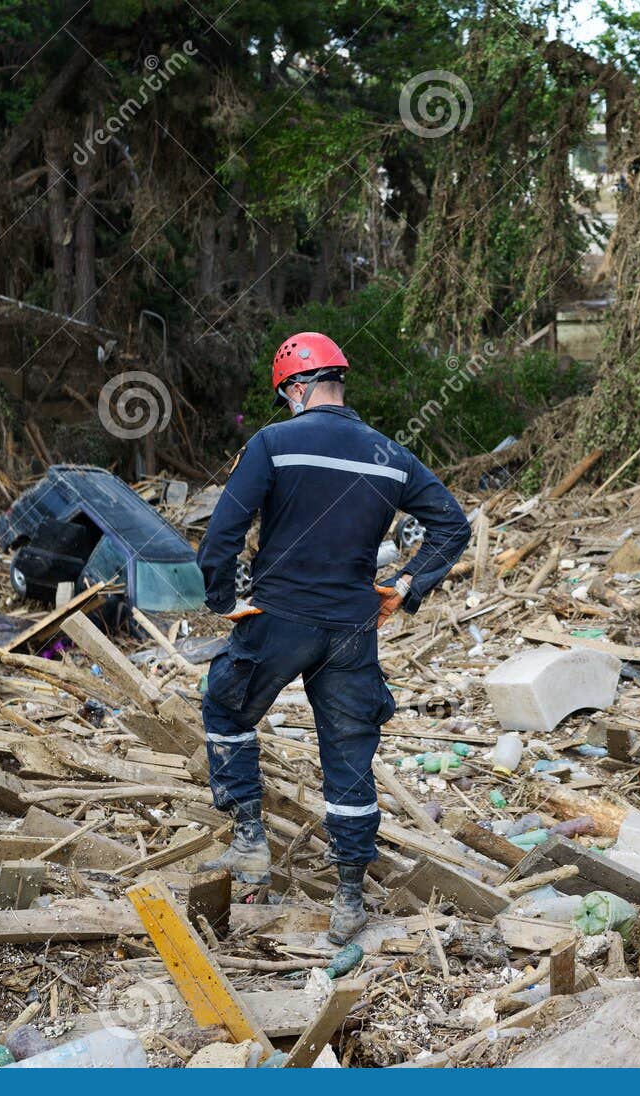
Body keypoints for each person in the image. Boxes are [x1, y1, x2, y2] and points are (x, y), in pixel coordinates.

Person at [196, 331, 471, 944]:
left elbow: (220, 537)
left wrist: (224, 601)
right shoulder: (390, 454)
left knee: (226, 710)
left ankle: (250, 840)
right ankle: (349, 897)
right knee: (349, 756)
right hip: (353, 627)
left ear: (296, 388)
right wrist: (406, 584)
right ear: (337, 381)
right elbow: (452, 525)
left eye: (285, 394)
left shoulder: (272, 444)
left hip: (279, 618)